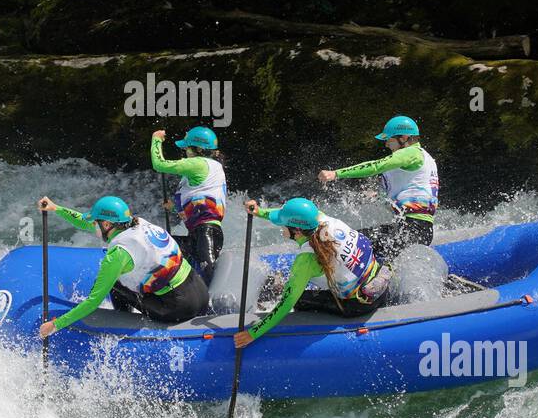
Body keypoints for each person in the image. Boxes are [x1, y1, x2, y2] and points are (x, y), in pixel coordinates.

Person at [36, 195, 208, 337]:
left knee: (115, 285)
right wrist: (55, 208)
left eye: (95, 223)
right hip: (200, 290)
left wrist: (55, 325)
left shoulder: (118, 254)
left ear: (106, 225)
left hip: (179, 307)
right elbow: (83, 221)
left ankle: (123, 329)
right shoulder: (137, 222)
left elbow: (92, 302)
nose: (92, 226)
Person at [233, 198, 393, 349]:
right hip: (380, 279)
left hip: (360, 305)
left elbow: (286, 303)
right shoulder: (321, 218)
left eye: (283, 225)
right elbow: (291, 216)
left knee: (300, 301)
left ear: (296, 231)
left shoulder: (306, 260)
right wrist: (260, 212)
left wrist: (253, 333)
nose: (280, 228)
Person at [317, 115, 438, 259]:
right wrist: (378, 195)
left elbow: (375, 166)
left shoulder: (411, 153)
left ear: (404, 137)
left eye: (389, 139)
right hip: (414, 230)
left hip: (412, 230)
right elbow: (406, 190)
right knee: (357, 239)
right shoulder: (423, 158)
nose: (386, 144)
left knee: (348, 244)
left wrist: (336, 174)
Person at [151, 127, 227, 281]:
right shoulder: (203, 170)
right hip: (196, 233)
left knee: (208, 270)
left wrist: (156, 140)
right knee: (165, 249)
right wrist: (174, 208)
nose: (185, 150)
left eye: (187, 147)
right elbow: (198, 201)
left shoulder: (198, 164)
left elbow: (159, 164)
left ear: (198, 149)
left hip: (206, 231)